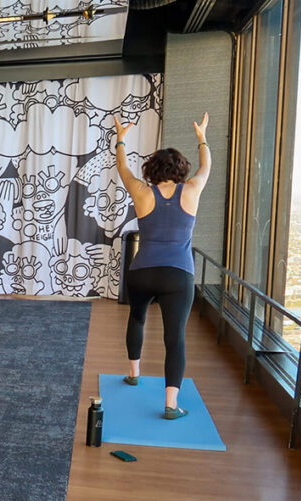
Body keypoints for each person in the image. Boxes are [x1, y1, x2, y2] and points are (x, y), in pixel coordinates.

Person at [114, 112, 211, 419]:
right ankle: (170, 405)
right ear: (182, 170)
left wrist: (120, 138)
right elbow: (207, 166)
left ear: (152, 169)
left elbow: (123, 168)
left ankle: (133, 373)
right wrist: (202, 137)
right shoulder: (192, 189)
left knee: (138, 318)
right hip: (178, 275)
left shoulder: (143, 192)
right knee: (175, 337)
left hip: (142, 271)